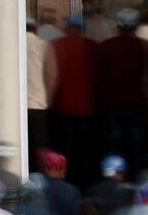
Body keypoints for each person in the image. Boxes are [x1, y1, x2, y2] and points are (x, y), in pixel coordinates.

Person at [99, 8, 148, 177]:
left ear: (118, 26)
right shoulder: (147, 47)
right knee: (137, 145)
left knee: (114, 144)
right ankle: (137, 178)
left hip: (112, 104)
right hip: (137, 103)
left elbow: (101, 77)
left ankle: (112, 179)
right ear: (136, 27)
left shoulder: (106, 46)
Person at [51, 15, 101, 187]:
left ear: (67, 28)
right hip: (88, 106)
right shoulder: (93, 46)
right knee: (87, 149)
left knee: (67, 147)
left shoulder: (56, 45)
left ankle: (69, 179)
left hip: (63, 106)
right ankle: (86, 180)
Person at [25, 16, 59, 164]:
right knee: (40, 145)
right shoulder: (44, 45)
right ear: (35, 28)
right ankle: (44, 175)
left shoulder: (11, 45)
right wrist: (50, 99)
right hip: (39, 103)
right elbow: (51, 74)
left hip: (17, 105)